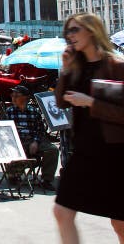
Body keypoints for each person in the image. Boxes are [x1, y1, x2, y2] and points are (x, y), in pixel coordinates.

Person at [53, 13, 124, 243]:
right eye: (68, 32)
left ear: (92, 31)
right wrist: (65, 70)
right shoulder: (77, 66)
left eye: (75, 30)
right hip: (84, 151)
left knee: (120, 223)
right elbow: (62, 102)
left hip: (115, 153)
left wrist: (91, 102)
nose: (70, 36)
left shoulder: (116, 65)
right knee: (62, 211)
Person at [6, 85, 59, 190]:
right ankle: (14, 173)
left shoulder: (34, 111)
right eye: (13, 95)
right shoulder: (9, 111)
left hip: (31, 139)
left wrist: (35, 142)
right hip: (17, 141)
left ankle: (47, 180)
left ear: (25, 98)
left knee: (53, 150)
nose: (13, 97)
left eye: (17, 95)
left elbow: (40, 130)